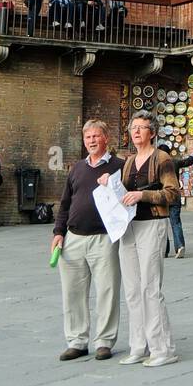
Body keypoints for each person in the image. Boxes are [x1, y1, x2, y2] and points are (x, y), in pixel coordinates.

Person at [106, 111, 180, 367]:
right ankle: (139, 346)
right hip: (128, 227)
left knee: (150, 287)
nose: (136, 131)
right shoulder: (128, 161)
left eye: (142, 127)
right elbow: (123, 193)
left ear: (153, 131)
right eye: (133, 127)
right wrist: (109, 185)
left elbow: (172, 193)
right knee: (132, 290)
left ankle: (163, 349)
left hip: (153, 224)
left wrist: (142, 196)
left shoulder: (162, 158)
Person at [51, 119, 124, 361]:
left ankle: (104, 341)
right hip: (73, 238)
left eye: (95, 136)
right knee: (72, 293)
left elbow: (127, 201)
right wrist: (58, 232)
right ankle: (77, 341)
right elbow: (64, 204)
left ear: (106, 138)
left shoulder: (119, 166)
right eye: (87, 137)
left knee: (107, 290)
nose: (91, 141)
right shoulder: (77, 169)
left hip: (104, 238)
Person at [158, 142, 192, 258]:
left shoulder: (157, 163)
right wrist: (191, 156)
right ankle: (179, 246)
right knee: (176, 223)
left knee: (163, 224)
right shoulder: (175, 162)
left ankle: (164, 250)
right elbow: (189, 161)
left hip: (163, 198)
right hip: (175, 197)